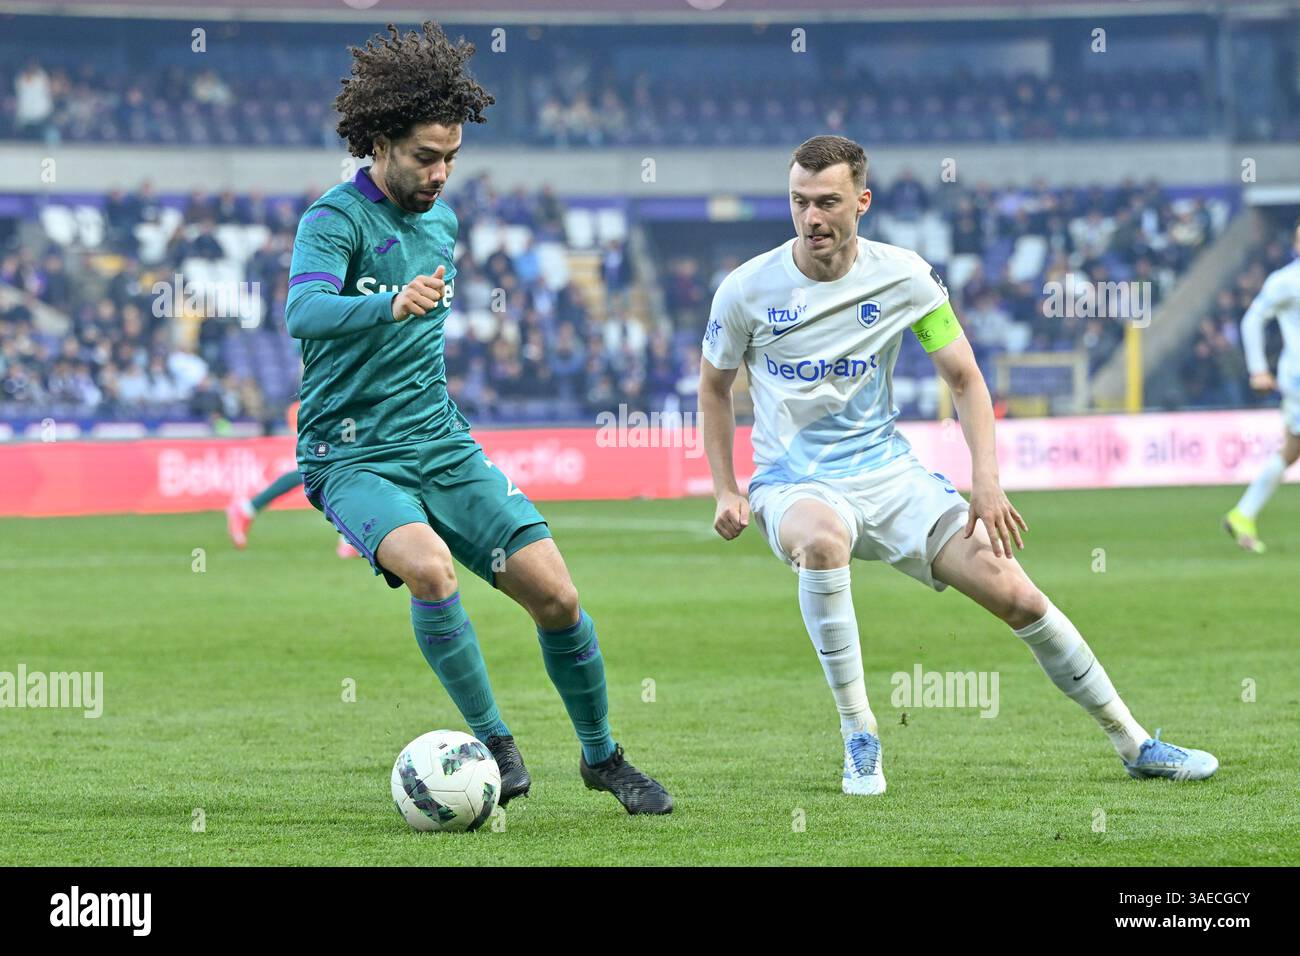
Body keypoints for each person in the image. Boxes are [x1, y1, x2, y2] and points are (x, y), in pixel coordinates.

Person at [698, 135, 1217, 795]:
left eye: (827, 202)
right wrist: (725, 487)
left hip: (891, 475)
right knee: (823, 543)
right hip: (795, 482)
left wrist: (987, 483)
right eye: (799, 202)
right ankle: (860, 736)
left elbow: (966, 380)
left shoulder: (903, 276)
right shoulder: (746, 290)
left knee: (1018, 595)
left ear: (862, 201)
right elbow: (713, 388)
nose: (811, 218)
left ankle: (1135, 742)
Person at [285, 22, 670, 815]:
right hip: (350, 457)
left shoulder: (444, 224)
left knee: (559, 599)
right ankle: (493, 741)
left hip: (439, 439)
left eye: (452, 157)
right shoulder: (334, 220)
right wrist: (387, 304)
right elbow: (304, 309)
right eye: (426, 156)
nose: (441, 173)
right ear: (382, 143)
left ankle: (602, 757)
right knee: (430, 570)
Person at [1223, 221, 1300, 553]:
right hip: (1298, 377)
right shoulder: (1286, 281)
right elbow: (1252, 319)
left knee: (1292, 450)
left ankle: (1243, 513)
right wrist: (1258, 370)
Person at [225, 400, 360, 559]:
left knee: (334, 467)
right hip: (326, 405)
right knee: (333, 466)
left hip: (335, 406)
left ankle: (247, 509)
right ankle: (350, 537)